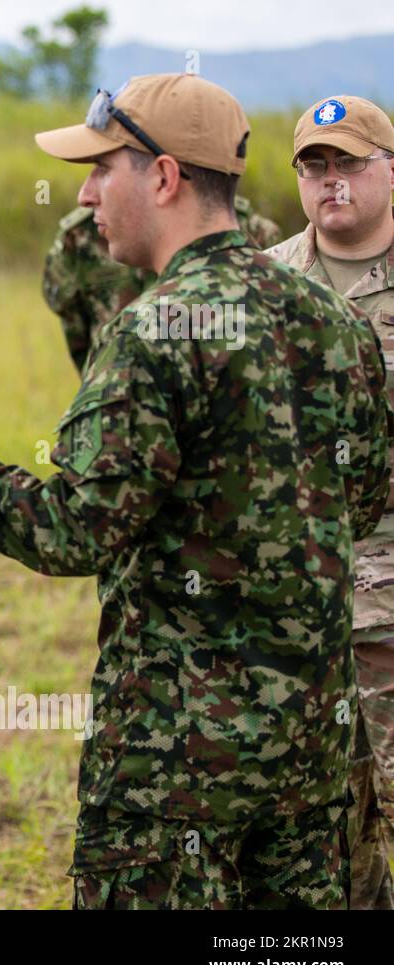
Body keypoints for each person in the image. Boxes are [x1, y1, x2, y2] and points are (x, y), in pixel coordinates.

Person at [0, 73, 392, 908]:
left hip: (176, 765)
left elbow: (73, 529)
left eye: (103, 170)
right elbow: (366, 497)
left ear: (163, 179)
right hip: (309, 754)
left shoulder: (152, 329)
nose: (87, 194)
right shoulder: (328, 318)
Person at [265, 94, 394, 909]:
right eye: (314, 166)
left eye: (348, 162)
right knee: (331, 834)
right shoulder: (269, 281)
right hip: (303, 602)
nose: (330, 180)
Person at [43, 195, 281, 374]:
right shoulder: (80, 237)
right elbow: (76, 335)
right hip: (120, 396)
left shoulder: (249, 230)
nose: (87, 192)